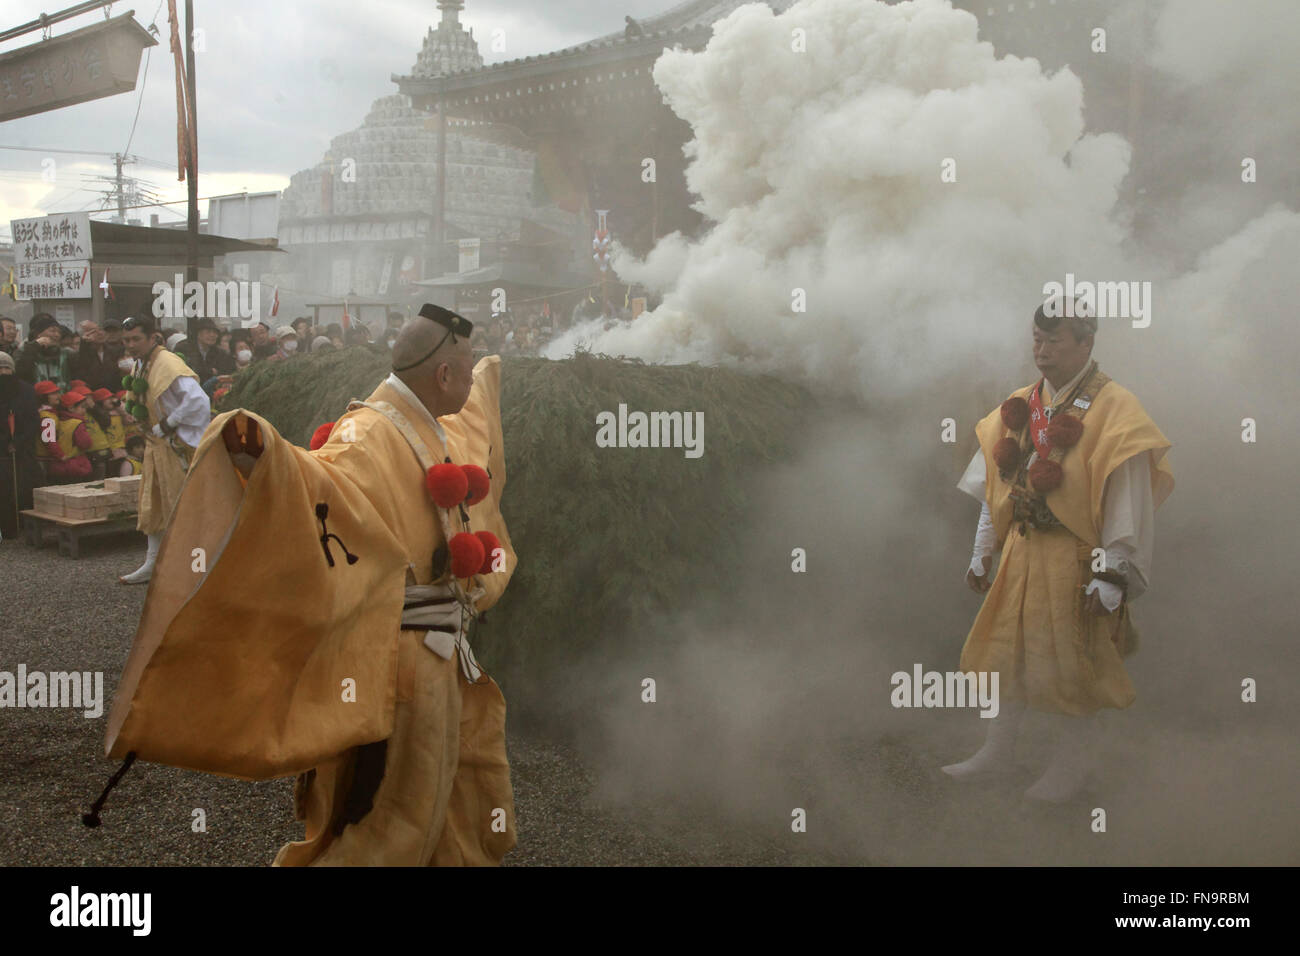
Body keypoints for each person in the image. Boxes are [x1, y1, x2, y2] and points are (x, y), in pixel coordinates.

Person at [102, 304, 518, 866]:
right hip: (395, 660)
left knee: (446, 795)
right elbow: (320, 484)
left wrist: (488, 376)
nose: (469, 384)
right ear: (442, 375)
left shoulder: (426, 423)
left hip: (436, 650)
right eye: (467, 372)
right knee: (394, 813)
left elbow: (463, 440)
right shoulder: (367, 432)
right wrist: (265, 453)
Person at [943, 297, 1174, 802]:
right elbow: (996, 486)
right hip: (1023, 552)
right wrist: (984, 549)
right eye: (1036, 340)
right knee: (1007, 652)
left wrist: (1112, 575)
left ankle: (1074, 767)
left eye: (1053, 341)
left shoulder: (1118, 409)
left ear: (1086, 343)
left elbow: (1126, 499)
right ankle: (997, 751)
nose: (1040, 350)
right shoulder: (1022, 402)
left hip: (1078, 560)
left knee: (1075, 661)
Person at [117, 316, 211, 585]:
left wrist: (169, 423)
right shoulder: (141, 364)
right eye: (127, 340)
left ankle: (199, 566)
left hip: (177, 445)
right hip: (155, 444)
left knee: (187, 507)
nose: (131, 345)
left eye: (136, 339)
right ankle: (153, 561)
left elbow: (198, 400)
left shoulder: (168, 362)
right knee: (154, 502)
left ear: (152, 338)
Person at [0, 351, 40, 538]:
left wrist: (18, 441)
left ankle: (25, 526)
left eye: (6, 368)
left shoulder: (26, 390)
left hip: (22, 449)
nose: (3, 372)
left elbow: (33, 420)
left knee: (23, 487)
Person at [48, 391, 93, 484]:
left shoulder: (59, 420)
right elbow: (85, 443)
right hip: (74, 465)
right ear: (71, 408)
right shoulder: (77, 423)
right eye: (82, 407)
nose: (85, 411)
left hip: (58, 465)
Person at [179, 318, 236, 390]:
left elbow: (226, 373)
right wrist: (210, 371)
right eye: (208, 332)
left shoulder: (221, 354)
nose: (212, 335)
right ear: (198, 334)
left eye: (215, 332)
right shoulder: (185, 349)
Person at [15, 315, 70, 388]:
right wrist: (35, 346)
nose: (57, 335)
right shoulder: (24, 350)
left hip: (60, 395)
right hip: (34, 396)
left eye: (59, 332)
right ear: (39, 334)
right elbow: (21, 372)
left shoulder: (65, 353)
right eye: (52, 331)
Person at [71, 320, 124, 392]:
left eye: (99, 329)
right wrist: (84, 345)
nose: (99, 333)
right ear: (83, 336)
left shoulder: (115, 352)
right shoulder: (78, 357)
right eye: (93, 332)